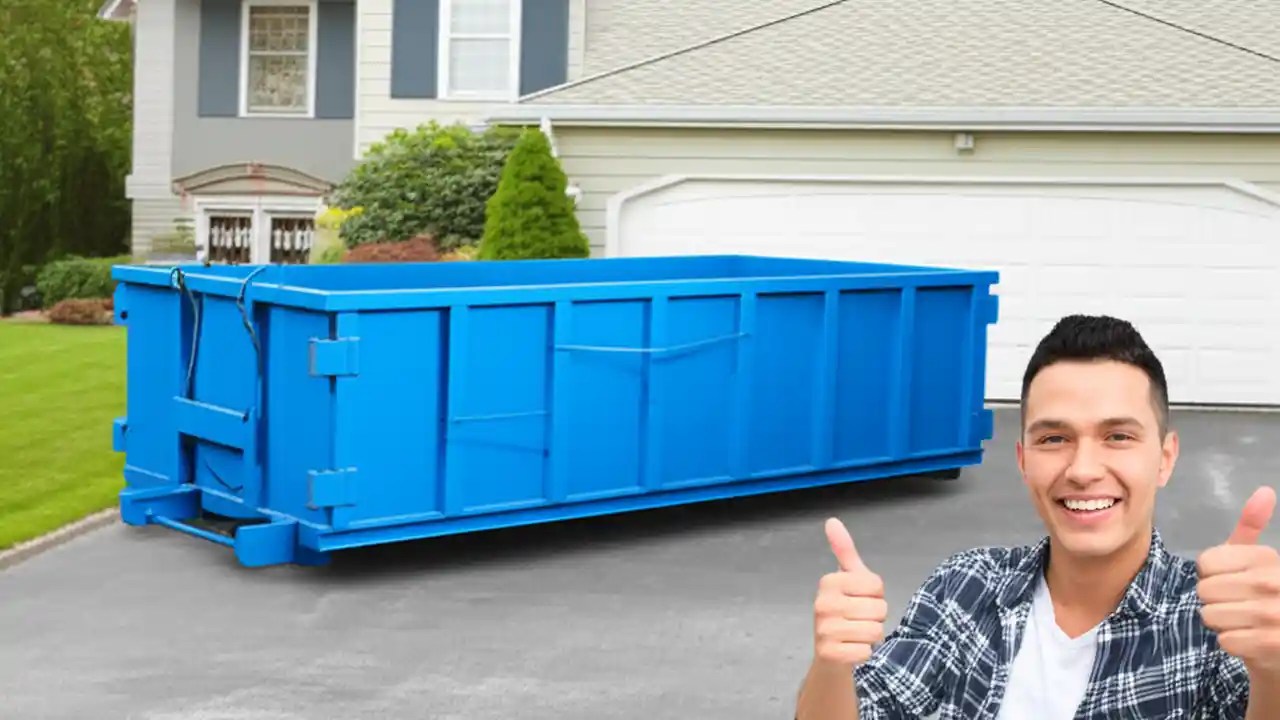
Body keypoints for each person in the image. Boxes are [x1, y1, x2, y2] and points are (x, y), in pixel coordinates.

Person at [794, 314, 1280, 719]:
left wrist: (1273, 668)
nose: (1083, 470)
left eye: (1118, 436)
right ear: (1024, 461)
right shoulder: (965, 588)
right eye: (1054, 439)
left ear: (1165, 458)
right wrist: (832, 665)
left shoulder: (1218, 620)